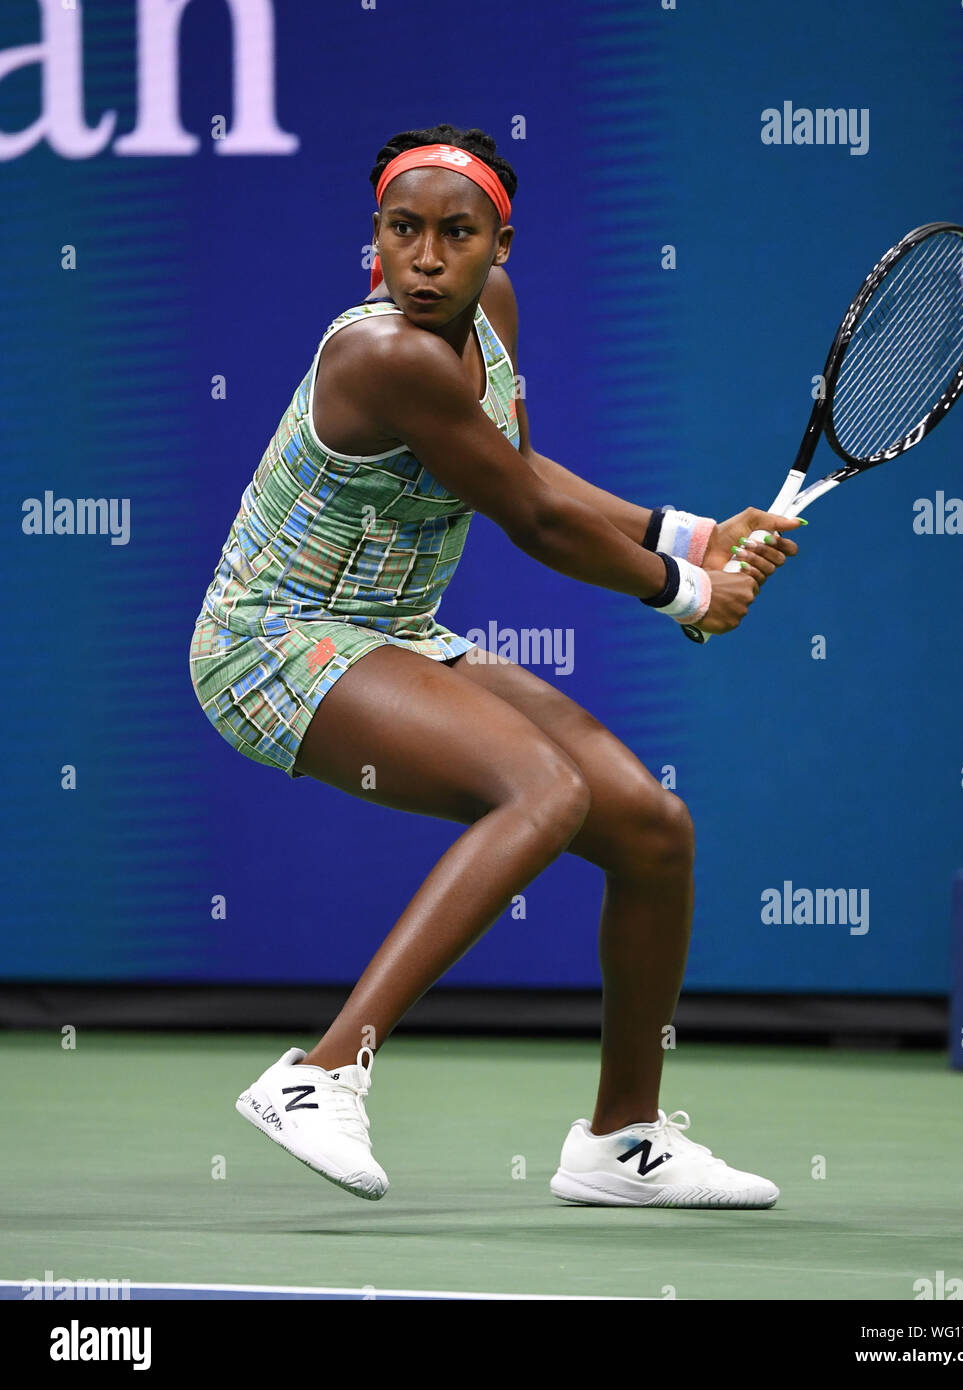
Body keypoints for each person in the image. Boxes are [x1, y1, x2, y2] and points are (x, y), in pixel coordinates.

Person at [188, 122, 803, 1208]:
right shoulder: (383, 354)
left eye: (454, 234)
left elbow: (517, 466)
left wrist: (684, 531)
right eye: (401, 231)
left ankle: (622, 1140)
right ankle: (321, 1073)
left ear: (498, 248)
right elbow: (528, 521)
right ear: (372, 239)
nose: (423, 258)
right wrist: (691, 594)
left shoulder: (492, 325)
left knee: (650, 829)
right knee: (543, 787)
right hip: (271, 638)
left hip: (395, 626)